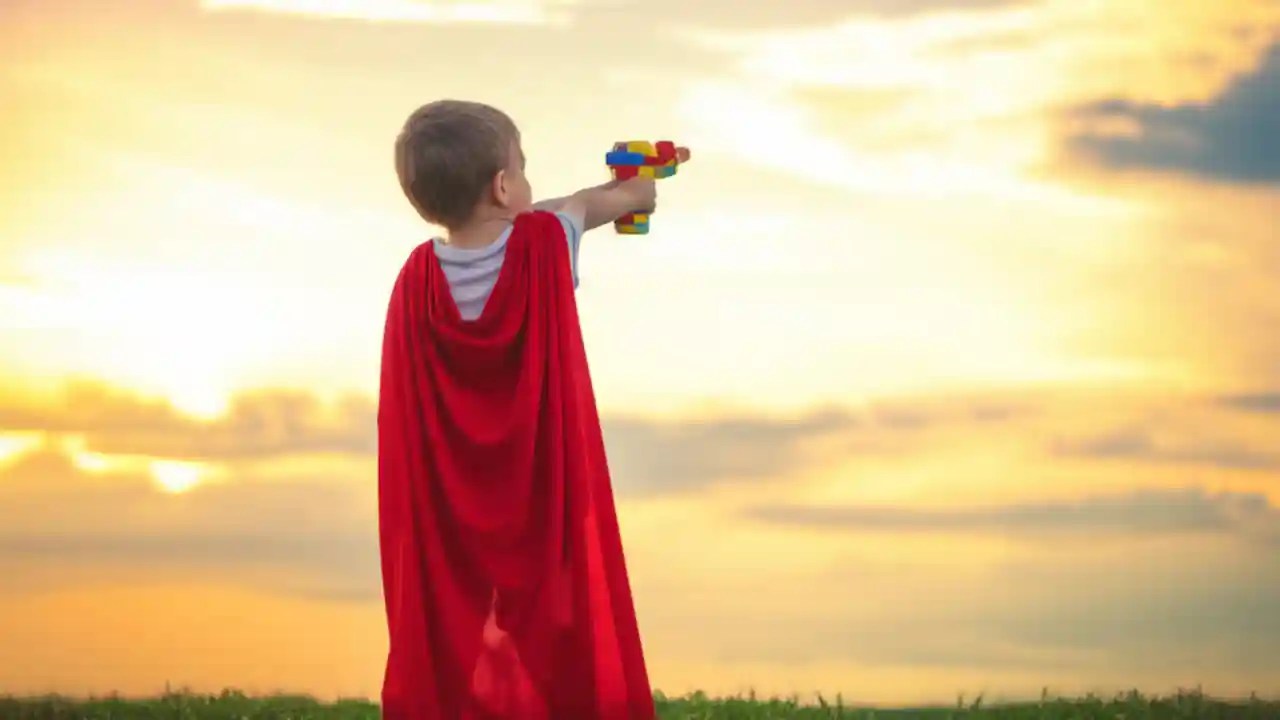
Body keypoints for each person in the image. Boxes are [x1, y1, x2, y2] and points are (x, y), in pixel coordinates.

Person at [377, 99, 689, 720]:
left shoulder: (416, 279)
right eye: (521, 168)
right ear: (501, 185)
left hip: (451, 509)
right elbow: (595, 208)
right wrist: (635, 190)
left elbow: (554, 208)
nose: (527, 182)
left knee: (456, 629)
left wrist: (611, 187)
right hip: (540, 496)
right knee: (559, 627)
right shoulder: (544, 242)